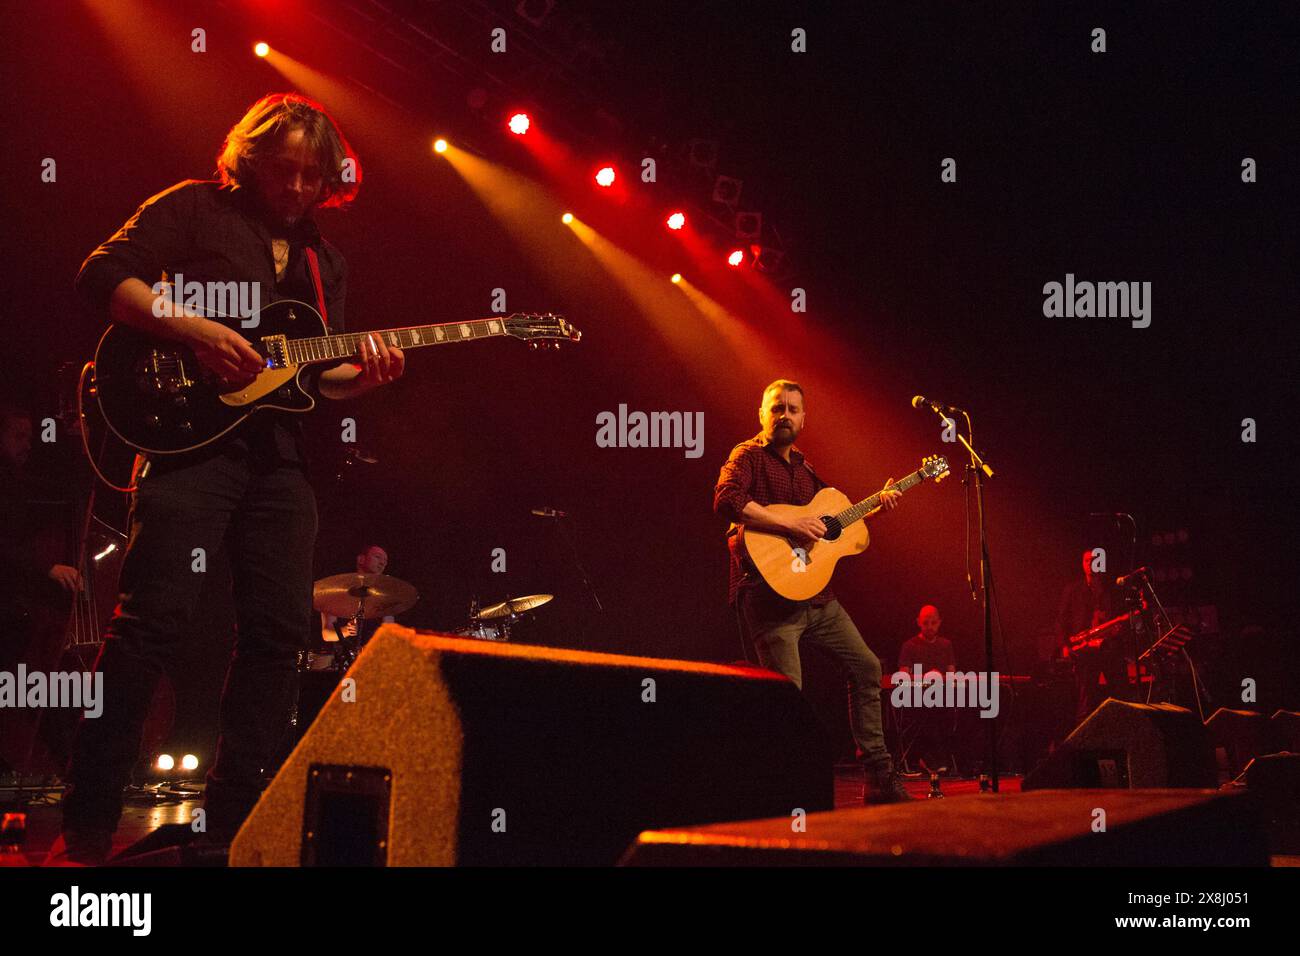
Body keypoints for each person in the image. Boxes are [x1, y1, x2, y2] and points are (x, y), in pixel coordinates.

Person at [50, 93, 405, 865]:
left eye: (316, 176)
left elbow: (320, 377)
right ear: (251, 159)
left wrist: (363, 378)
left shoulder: (324, 260)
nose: (299, 189)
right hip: (187, 447)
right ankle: (85, 821)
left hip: (277, 460)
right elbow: (100, 274)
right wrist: (196, 329)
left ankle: (234, 828)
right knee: (150, 627)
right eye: (285, 172)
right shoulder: (193, 209)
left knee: (280, 637)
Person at [714, 379, 913, 803]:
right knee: (788, 697)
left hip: (817, 598)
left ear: (804, 418)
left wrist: (878, 504)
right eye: (776, 408)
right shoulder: (746, 456)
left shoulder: (807, 473)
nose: (784, 415)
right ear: (761, 414)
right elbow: (727, 500)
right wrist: (789, 525)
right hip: (769, 598)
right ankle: (781, 790)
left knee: (865, 667)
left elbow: (833, 534)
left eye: (792, 409)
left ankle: (879, 777)